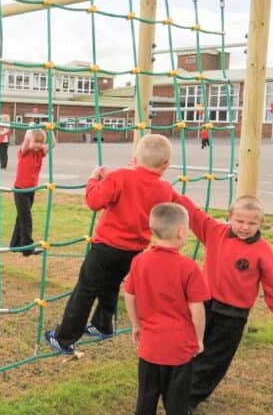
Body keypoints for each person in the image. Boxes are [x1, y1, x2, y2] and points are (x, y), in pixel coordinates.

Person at [45, 134, 178, 354]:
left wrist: (94, 179)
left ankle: (64, 338)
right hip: (134, 250)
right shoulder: (164, 188)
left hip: (107, 247)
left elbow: (94, 201)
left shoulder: (121, 176)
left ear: (134, 158)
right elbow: (140, 189)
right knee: (110, 285)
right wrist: (115, 178)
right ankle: (102, 325)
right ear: (166, 165)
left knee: (85, 290)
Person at [171, 193, 273, 412]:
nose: (245, 227)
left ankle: (189, 400)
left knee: (214, 360)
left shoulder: (263, 251)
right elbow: (192, 212)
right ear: (229, 217)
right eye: (240, 221)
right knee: (189, 348)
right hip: (203, 305)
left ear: (261, 223)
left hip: (233, 314)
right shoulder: (214, 232)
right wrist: (164, 188)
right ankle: (175, 388)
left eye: (252, 223)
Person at [125, 202, 209, 415]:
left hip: (150, 346)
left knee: (147, 394)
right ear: (182, 232)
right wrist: (199, 339)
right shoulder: (188, 268)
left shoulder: (139, 261)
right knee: (177, 400)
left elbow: (129, 294)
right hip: (178, 349)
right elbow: (197, 310)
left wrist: (136, 325)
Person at [10, 129, 50, 256]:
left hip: (31, 190)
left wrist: (49, 130)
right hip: (20, 190)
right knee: (26, 218)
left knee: (21, 217)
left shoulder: (39, 154)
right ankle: (27, 248)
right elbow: (27, 142)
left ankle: (15, 244)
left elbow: (52, 144)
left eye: (40, 142)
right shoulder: (24, 152)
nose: (38, 145)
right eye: (36, 142)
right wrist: (30, 132)